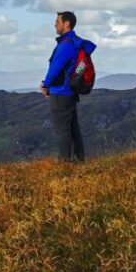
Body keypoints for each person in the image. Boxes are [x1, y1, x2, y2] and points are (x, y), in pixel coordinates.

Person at [39, 11, 96, 163]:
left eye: (57, 21)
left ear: (67, 24)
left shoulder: (66, 45)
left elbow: (55, 68)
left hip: (60, 92)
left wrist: (46, 85)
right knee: (72, 128)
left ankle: (65, 164)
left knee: (62, 130)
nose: (55, 24)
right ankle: (79, 160)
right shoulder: (75, 43)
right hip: (70, 92)